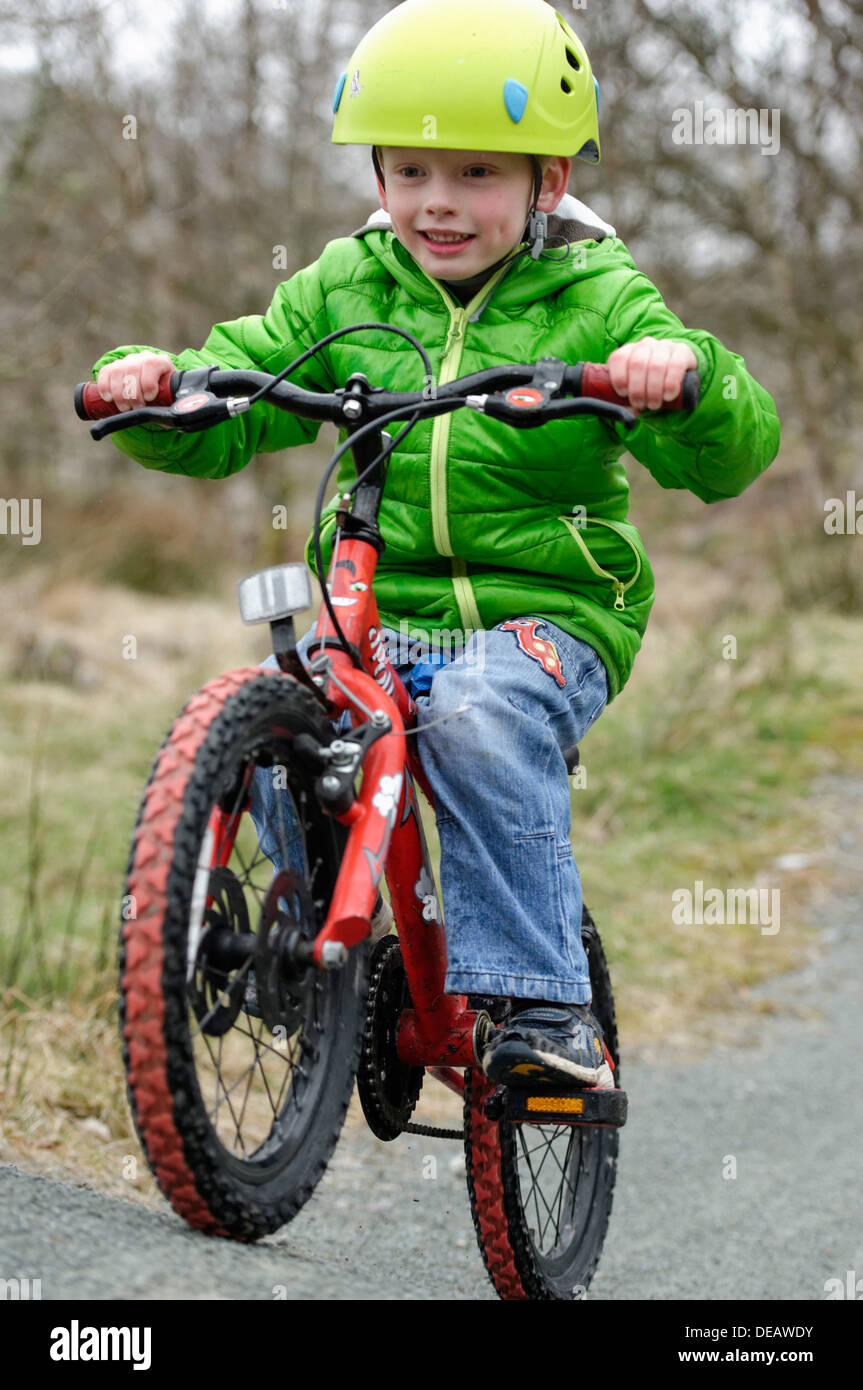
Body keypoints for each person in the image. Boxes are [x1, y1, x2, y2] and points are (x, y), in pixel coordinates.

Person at [91, 0, 780, 1091]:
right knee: (295, 724)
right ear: (375, 174)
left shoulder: (595, 294)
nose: (436, 204)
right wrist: (154, 384)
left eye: (473, 174)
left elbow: (730, 455)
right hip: (377, 612)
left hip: (544, 618)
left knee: (477, 713)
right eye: (408, 171)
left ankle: (543, 1007)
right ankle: (317, 955)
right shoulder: (345, 284)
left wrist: (673, 374)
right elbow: (245, 380)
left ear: (547, 181)